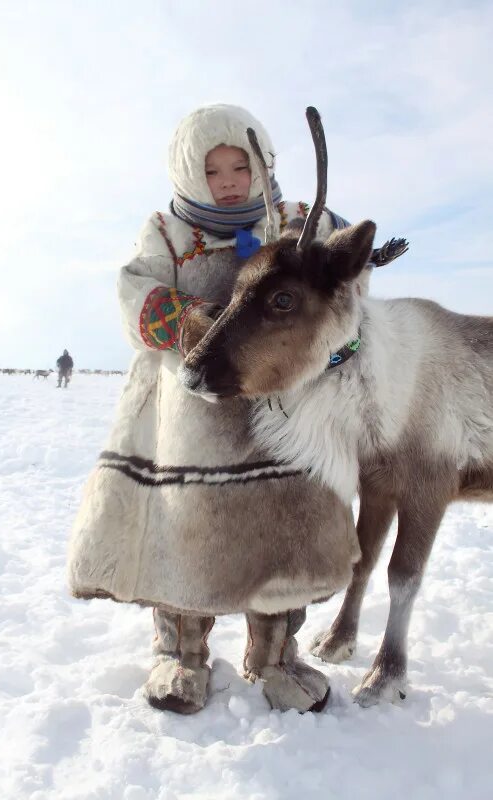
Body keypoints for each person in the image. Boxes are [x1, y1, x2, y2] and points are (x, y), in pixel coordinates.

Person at [68, 104, 362, 714]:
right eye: (212, 170)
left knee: (286, 527)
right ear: (186, 173)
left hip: (282, 412)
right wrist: (189, 322)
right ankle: (182, 654)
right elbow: (135, 293)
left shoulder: (296, 219)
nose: (229, 180)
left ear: (263, 164)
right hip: (193, 412)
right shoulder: (167, 231)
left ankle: (276, 657)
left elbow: (343, 278)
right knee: (188, 528)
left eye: (240, 164)